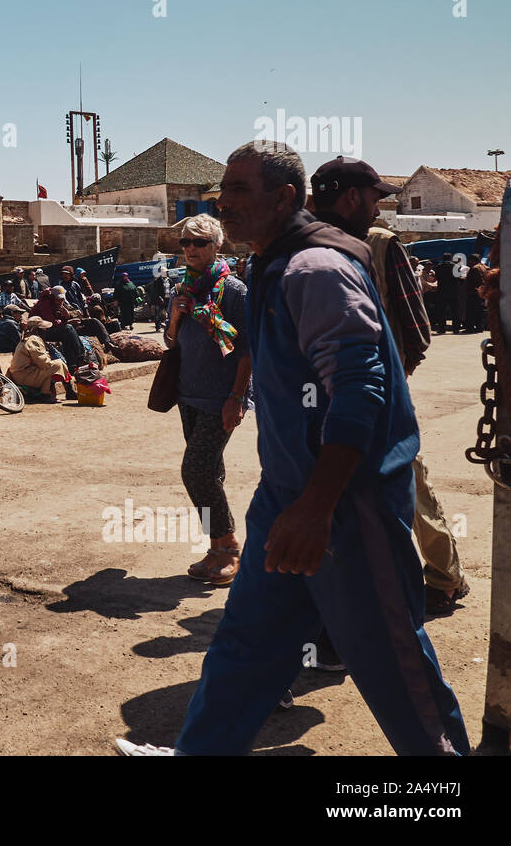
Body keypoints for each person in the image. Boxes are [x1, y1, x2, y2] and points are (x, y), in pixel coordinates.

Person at [118, 141, 467, 756]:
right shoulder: (273, 265)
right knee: (244, 649)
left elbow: (361, 390)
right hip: (287, 497)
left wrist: (316, 506)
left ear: (285, 198)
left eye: (239, 190)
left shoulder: (315, 270)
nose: (223, 203)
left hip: (342, 508)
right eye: (222, 190)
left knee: (395, 665)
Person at [311, 156, 469, 617]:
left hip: (377, 395)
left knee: (410, 485)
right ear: (352, 197)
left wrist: (393, 379)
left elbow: (418, 329)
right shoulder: (316, 247)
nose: (379, 207)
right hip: (332, 398)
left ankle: (443, 578)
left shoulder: (380, 244)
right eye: (375, 197)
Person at [163, 214, 251, 586]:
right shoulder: (182, 289)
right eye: (185, 242)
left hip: (220, 397)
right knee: (209, 473)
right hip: (189, 394)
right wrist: (177, 316)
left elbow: (247, 350)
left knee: (195, 470)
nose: (191, 249)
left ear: (218, 246)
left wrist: (236, 397)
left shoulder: (233, 291)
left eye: (199, 242)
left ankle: (229, 545)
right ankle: (215, 547)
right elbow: (170, 341)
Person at [34, 284, 109, 363]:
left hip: (60, 326)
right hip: (44, 331)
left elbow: (68, 315)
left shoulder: (60, 303)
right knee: (68, 329)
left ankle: (107, 343)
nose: (60, 302)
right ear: (53, 297)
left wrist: (67, 316)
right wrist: (67, 321)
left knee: (93, 321)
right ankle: (81, 356)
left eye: (62, 299)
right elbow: (50, 323)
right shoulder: (45, 304)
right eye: (58, 299)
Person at [8, 316, 77, 402]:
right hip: (24, 376)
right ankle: (63, 391)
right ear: (37, 330)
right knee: (58, 364)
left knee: (50, 368)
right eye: (43, 329)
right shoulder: (34, 340)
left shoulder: (27, 338)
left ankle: (48, 393)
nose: (45, 331)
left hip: (23, 374)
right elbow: (44, 363)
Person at [432, 253, 457, 333]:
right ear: (450, 258)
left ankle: (442, 329)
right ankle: (455, 329)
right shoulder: (455, 266)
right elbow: (458, 278)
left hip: (441, 291)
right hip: (453, 291)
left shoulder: (439, 266)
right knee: (454, 311)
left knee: (441, 311)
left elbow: (436, 278)